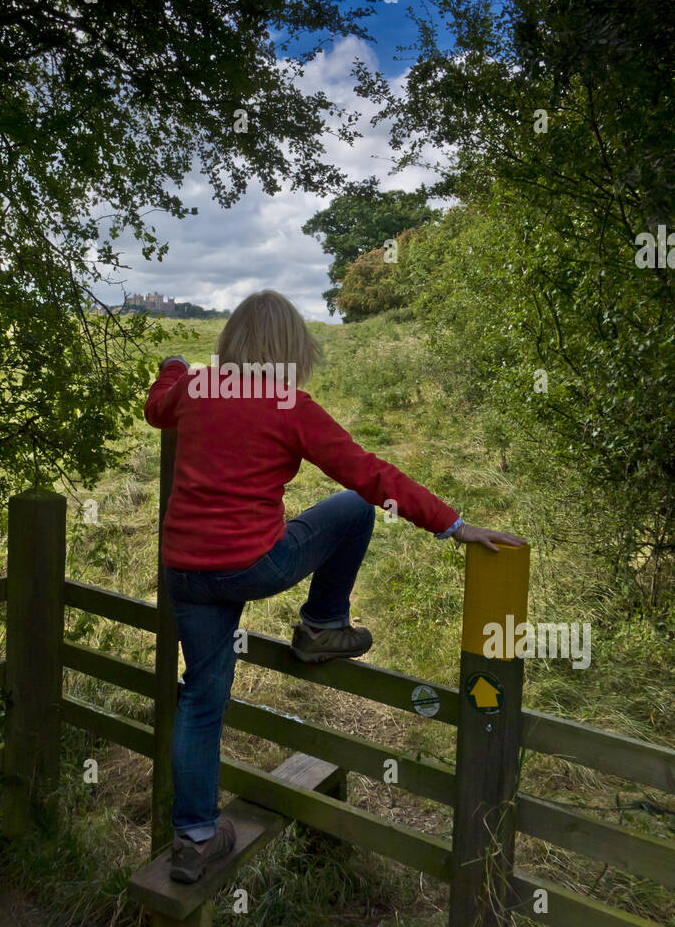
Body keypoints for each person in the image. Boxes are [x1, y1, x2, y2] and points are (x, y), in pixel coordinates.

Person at [143, 290, 527, 884]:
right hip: (252, 564)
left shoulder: (196, 391)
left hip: (186, 573)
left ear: (231, 342)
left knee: (200, 696)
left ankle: (193, 837)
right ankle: (322, 624)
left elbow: (157, 406)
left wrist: (174, 367)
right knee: (352, 508)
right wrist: (452, 524)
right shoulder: (291, 404)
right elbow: (370, 475)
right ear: (290, 348)